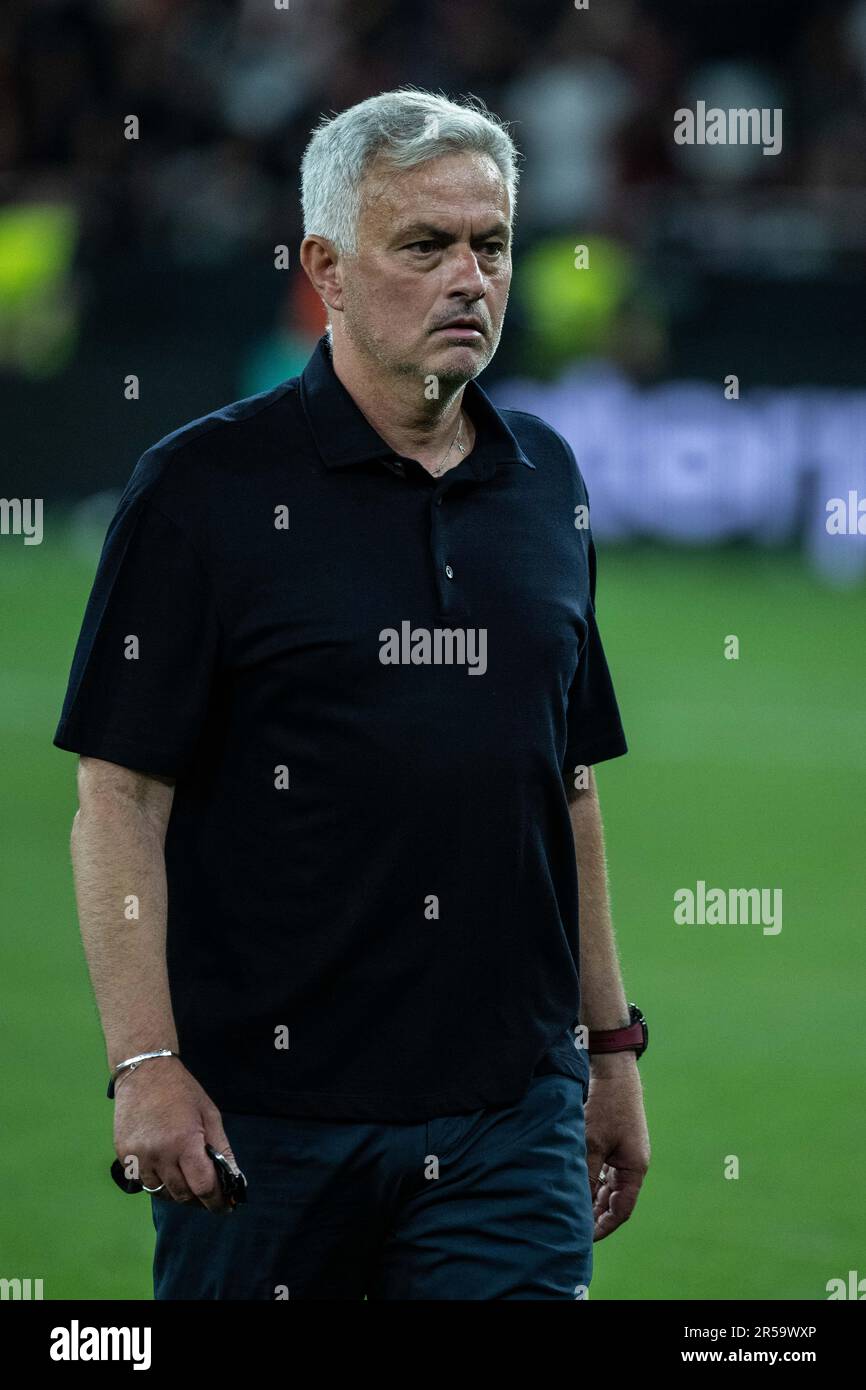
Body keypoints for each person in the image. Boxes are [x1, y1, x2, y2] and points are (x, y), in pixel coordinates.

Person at [54, 86, 650, 1301]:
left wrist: (607, 1047)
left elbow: (568, 784)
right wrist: (146, 1062)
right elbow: (119, 800)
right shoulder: (202, 490)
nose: (469, 278)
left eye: (490, 245)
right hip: (269, 1123)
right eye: (423, 245)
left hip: (508, 1116)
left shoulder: (547, 482)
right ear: (325, 266)